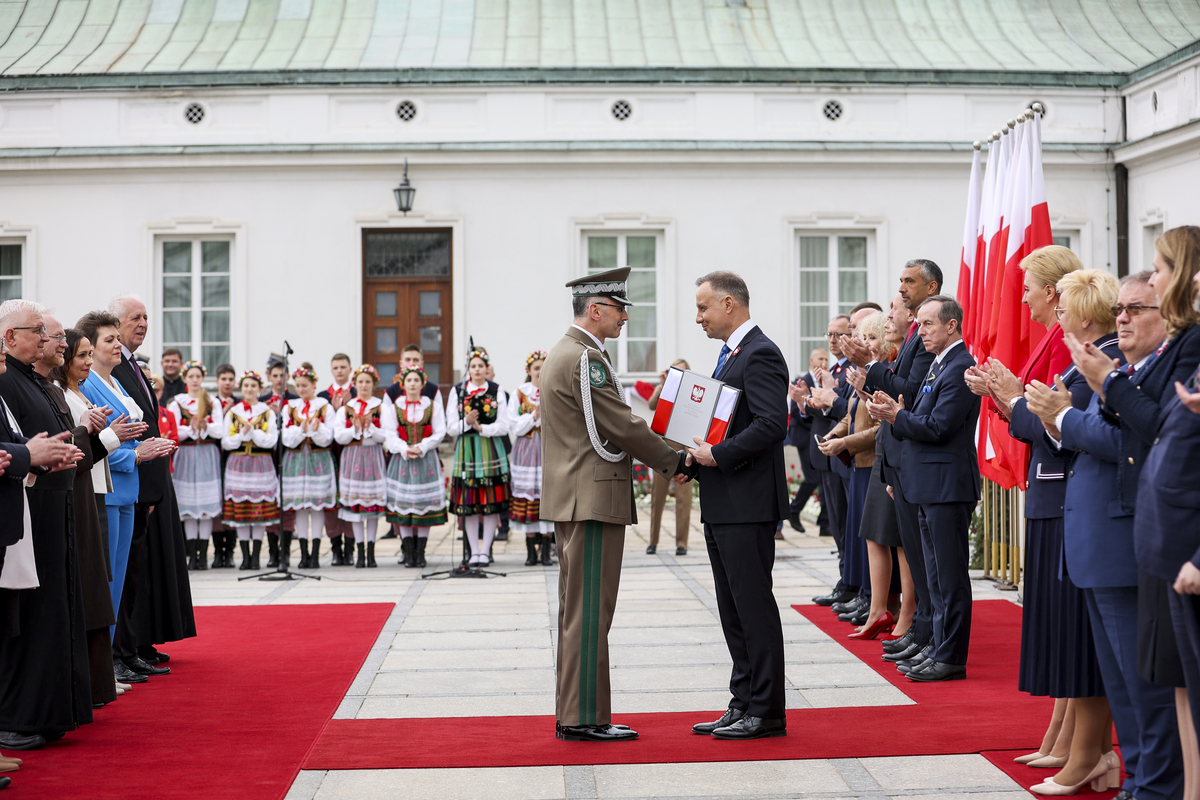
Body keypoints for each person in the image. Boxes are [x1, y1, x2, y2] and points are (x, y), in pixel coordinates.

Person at [1027, 270, 1184, 800]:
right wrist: (1061, 419)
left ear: (1171, 315)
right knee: (1120, 682)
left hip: (1120, 539)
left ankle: (1152, 786)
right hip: (1095, 538)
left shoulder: (1135, 373)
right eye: (1120, 309)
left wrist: (1063, 417)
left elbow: (1128, 443)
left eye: (1138, 309)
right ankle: (1140, 781)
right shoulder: (1123, 369)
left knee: (1143, 686)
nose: (1123, 319)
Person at [966, 247, 1116, 784]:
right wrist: (1011, 399)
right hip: (1062, 497)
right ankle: (1079, 746)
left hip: (1078, 502)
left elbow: (1065, 430)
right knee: (1070, 635)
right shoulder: (1075, 350)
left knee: (1082, 639)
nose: (1025, 299)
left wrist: (1015, 399)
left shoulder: (1095, 355)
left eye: (1031, 287)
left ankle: (1091, 753)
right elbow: (1047, 421)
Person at [540, 266, 688, 742]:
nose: (625, 317)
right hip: (593, 496)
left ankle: (575, 712)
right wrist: (676, 459)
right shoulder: (586, 359)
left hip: (575, 495)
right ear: (596, 309)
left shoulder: (565, 352)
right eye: (620, 309)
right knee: (589, 613)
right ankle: (584, 718)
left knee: (576, 611)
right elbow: (621, 426)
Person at [683, 271, 790, 740]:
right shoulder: (732, 355)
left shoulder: (760, 352)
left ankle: (765, 710)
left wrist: (718, 454)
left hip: (746, 503)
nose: (699, 317)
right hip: (724, 500)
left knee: (753, 608)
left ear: (730, 304)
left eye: (704, 307)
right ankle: (742, 699)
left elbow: (772, 425)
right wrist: (695, 455)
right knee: (732, 609)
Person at [868, 296, 979, 682]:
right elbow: (921, 415)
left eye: (929, 324)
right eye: (921, 324)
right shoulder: (939, 364)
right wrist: (894, 413)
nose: (921, 331)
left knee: (949, 576)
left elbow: (939, 426)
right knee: (933, 576)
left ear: (951, 326)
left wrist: (897, 416)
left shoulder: (960, 366)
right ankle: (936, 645)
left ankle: (950, 656)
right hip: (929, 484)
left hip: (947, 485)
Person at [0, 299, 90, 750]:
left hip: (50, 507)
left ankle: (52, 710)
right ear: (10, 337)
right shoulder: (8, 381)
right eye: (37, 330)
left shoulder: (33, 380)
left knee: (53, 612)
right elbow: (15, 445)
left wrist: (57, 452)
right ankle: (22, 715)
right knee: (29, 619)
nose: (46, 338)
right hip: (27, 510)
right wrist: (32, 458)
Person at [841, 262, 940, 666]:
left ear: (931, 287)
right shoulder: (915, 337)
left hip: (912, 458)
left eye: (908, 282)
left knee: (925, 559)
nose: (900, 290)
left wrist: (872, 367)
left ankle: (925, 630)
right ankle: (919, 629)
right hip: (895, 456)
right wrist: (871, 372)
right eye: (900, 282)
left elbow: (910, 393)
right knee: (914, 553)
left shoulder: (921, 341)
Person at [107, 294, 192, 675]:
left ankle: (134, 642)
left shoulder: (133, 364)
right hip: (129, 478)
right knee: (124, 571)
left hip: (147, 478)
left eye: (146, 317)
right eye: (134, 318)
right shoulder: (109, 369)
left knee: (138, 567)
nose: (142, 323)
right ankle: (122, 649)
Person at [820, 311, 905, 640]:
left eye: (870, 337)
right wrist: (837, 433)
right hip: (870, 461)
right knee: (870, 536)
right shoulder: (868, 375)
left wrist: (844, 439)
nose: (865, 342)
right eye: (863, 337)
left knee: (892, 542)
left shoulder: (884, 371)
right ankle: (874, 606)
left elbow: (878, 423)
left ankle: (894, 611)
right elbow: (858, 414)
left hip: (877, 460)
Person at [805, 314, 855, 606]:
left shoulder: (850, 368)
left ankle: (851, 584)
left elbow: (850, 410)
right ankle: (845, 580)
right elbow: (831, 409)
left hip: (847, 452)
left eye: (840, 334)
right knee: (837, 524)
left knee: (848, 525)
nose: (834, 340)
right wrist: (808, 401)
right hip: (831, 452)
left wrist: (830, 397)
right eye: (830, 335)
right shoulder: (834, 368)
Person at [445, 350, 511, 567]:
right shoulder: (458, 391)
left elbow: (504, 426)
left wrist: (480, 427)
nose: (477, 370)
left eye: (480, 366)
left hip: (490, 447)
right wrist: (467, 423)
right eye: (473, 366)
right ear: (468, 369)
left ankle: (485, 550)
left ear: (487, 368)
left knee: (490, 501)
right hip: (467, 450)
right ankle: (473, 551)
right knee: (469, 503)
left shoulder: (496, 390)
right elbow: (451, 427)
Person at [382, 364, 447, 569]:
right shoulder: (395, 406)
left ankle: (420, 553)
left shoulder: (431, 405)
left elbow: (440, 432)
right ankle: (408, 552)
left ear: (422, 383)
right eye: (409, 380)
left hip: (425, 461)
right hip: (402, 462)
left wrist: (421, 447)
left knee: (422, 508)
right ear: (403, 384)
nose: (412, 384)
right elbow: (389, 434)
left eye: (416, 380)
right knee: (404, 507)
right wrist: (404, 448)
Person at [280, 364, 337, 571]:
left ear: (314, 385)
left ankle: (315, 553)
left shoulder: (324, 406)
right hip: (296, 461)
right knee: (300, 507)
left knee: (316, 505)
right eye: (299, 386)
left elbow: (328, 438)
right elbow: (286, 438)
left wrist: (316, 429)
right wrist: (301, 430)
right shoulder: (290, 407)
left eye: (305, 385)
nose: (302, 389)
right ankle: (303, 554)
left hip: (317, 459)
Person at [221, 370, 280, 569]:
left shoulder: (267, 411)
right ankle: (245, 557)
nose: (249, 389)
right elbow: (226, 442)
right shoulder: (234, 412)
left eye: (253, 386)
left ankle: (255, 556)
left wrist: (253, 432)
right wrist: (241, 436)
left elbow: (272, 440)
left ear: (259, 388)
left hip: (260, 463)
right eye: (245, 386)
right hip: (238, 463)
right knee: (242, 511)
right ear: (241, 388)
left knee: (259, 511)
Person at [169, 361, 224, 571]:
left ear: (202, 378)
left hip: (206, 453)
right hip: (187, 454)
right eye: (191, 376)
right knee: (190, 507)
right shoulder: (177, 404)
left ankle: (204, 554)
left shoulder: (211, 401)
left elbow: (220, 430)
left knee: (206, 507)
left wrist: (206, 426)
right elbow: (175, 432)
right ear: (185, 378)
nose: (194, 380)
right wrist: (190, 430)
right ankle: (192, 555)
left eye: (198, 376)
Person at [333, 365, 387, 569]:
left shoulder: (380, 406)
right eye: (360, 382)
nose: (364, 385)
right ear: (354, 384)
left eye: (368, 382)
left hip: (372, 456)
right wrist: (355, 429)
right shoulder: (347, 408)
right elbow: (338, 436)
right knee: (356, 506)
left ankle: (371, 551)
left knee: (371, 506)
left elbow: (387, 434)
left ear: (373, 384)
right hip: (353, 457)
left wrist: (371, 427)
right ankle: (360, 552)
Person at [506, 350, 556, 565]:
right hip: (526, 449)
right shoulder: (520, 392)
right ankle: (530, 550)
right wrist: (533, 416)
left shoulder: (554, 390)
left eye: (544, 367)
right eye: (537, 368)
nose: (540, 371)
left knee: (547, 494)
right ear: (529, 371)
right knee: (528, 498)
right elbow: (513, 424)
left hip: (548, 448)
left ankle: (545, 550)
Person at [646, 358, 694, 557]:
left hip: (686, 452)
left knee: (684, 500)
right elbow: (651, 405)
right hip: (664, 450)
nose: (677, 374)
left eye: (681, 371)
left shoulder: (691, 394)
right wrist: (663, 386)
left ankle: (681, 543)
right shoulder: (665, 389)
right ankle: (653, 541)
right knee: (658, 498)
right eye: (674, 371)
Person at [786, 347, 827, 534]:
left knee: (823, 477)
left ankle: (825, 523)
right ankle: (794, 510)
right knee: (813, 478)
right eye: (820, 358)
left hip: (821, 438)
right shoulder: (802, 381)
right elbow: (796, 410)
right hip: (804, 436)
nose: (824, 361)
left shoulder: (826, 381)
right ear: (811, 360)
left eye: (826, 358)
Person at [319, 353, 355, 565]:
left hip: (352, 453)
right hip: (330, 453)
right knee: (331, 503)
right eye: (336, 367)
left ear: (350, 369)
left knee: (349, 499)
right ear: (331, 370)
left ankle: (350, 548)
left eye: (343, 367)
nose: (340, 371)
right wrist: (334, 411)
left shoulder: (359, 391)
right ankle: (335, 548)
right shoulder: (323, 396)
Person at [262, 358, 298, 568]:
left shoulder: (294, 400)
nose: (278, 380)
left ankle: (285, 552)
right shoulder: (262, 399)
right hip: (267, 456)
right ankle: (273, 551)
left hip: (287, 454)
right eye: (275, 376)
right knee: (270, 503)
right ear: (269, 376)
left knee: (287, 504)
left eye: (282, 376)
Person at [211, 362, 239, 568]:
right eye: (224, 379)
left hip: (234, 458)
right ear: (217, 381)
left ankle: (229, 550)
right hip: (212, 457)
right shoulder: (210, 403)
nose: (227, 383)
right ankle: (216, 550)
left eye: (231, 379)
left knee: (230, 503)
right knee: (214, 503)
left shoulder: (240, 405)